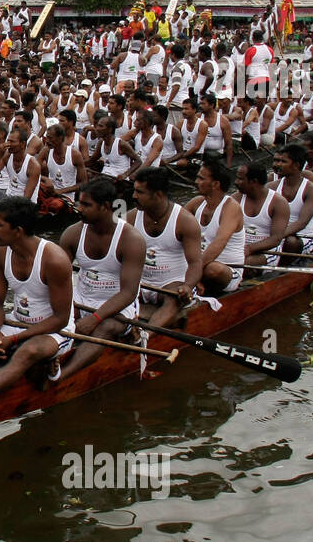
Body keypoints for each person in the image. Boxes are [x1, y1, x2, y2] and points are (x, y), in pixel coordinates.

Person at [0, 196, 74, 409]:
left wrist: (16, 338)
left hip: (54, 330)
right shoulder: (0, 252)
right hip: (16, 321)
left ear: (18, 230)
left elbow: (61, 319)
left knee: (28, 352)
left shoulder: (54, 259)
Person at [57, 178, 146, 378]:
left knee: (106, 327)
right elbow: (56, 281)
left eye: (86, 205)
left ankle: (63, 375)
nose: (79, 209)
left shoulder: (131, 240)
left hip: (118, 307)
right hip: (81, 300)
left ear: (106, 206)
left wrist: (95, 319)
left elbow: (128, 293)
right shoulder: (72, 234)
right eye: (79, 202)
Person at [128, 167, 203, 328]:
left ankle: (146, 337)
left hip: (172, 285)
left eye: (139, 192)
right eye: (134, 191)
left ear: (159, 194)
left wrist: (188, 286)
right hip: (142, 284)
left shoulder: (185, 221)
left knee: (174, 298)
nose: (134, 196)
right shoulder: (131, 217)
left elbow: (196, 263)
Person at [185, 159, 246, 294]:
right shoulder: (196, 203)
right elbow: (173, 227)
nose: (196, 182)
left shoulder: (231, 207)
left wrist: (194, 275)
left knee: (213, 270)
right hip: (198, 266)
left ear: (215, 184)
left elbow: (219, 243)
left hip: (226, 270)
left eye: (201, 178)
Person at [272, 144, 313, 255]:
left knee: (290, 242)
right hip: (278, 234)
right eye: (278, 161)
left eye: (283, 162)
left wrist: (276, 237)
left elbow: (301, 223)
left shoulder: (312, 190)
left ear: (296, 165)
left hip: (302, 236)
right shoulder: (271, 187)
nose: (278, 165)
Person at [235, 162, 289, 269]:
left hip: (267, 251)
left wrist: (249, 249)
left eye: (240, 179)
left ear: (254, 182)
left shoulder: (278, 203)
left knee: (244, 263)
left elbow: (276, 239)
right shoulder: (235, 199)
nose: (236, 182)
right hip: (239, 248)